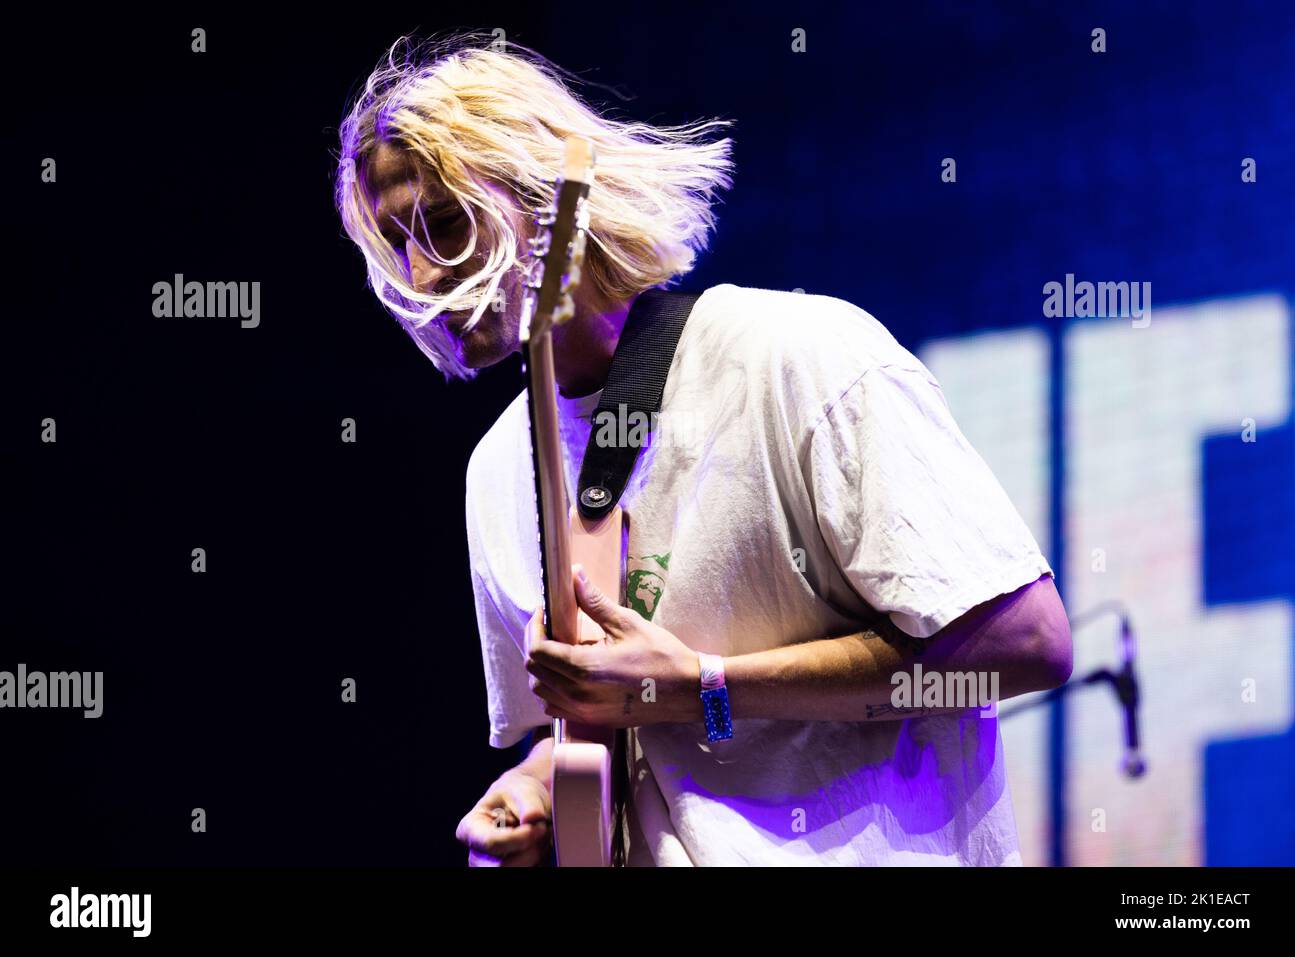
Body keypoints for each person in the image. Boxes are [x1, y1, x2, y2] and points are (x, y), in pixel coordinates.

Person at [334, 32, 1072, 866]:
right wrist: (540, 784)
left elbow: (1026, 644)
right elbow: (600, 724)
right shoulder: (497, 474)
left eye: (445, 224)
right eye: (396, 244)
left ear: (542, 197)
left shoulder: (797, 356)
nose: (422, 277)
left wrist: (706, 688)